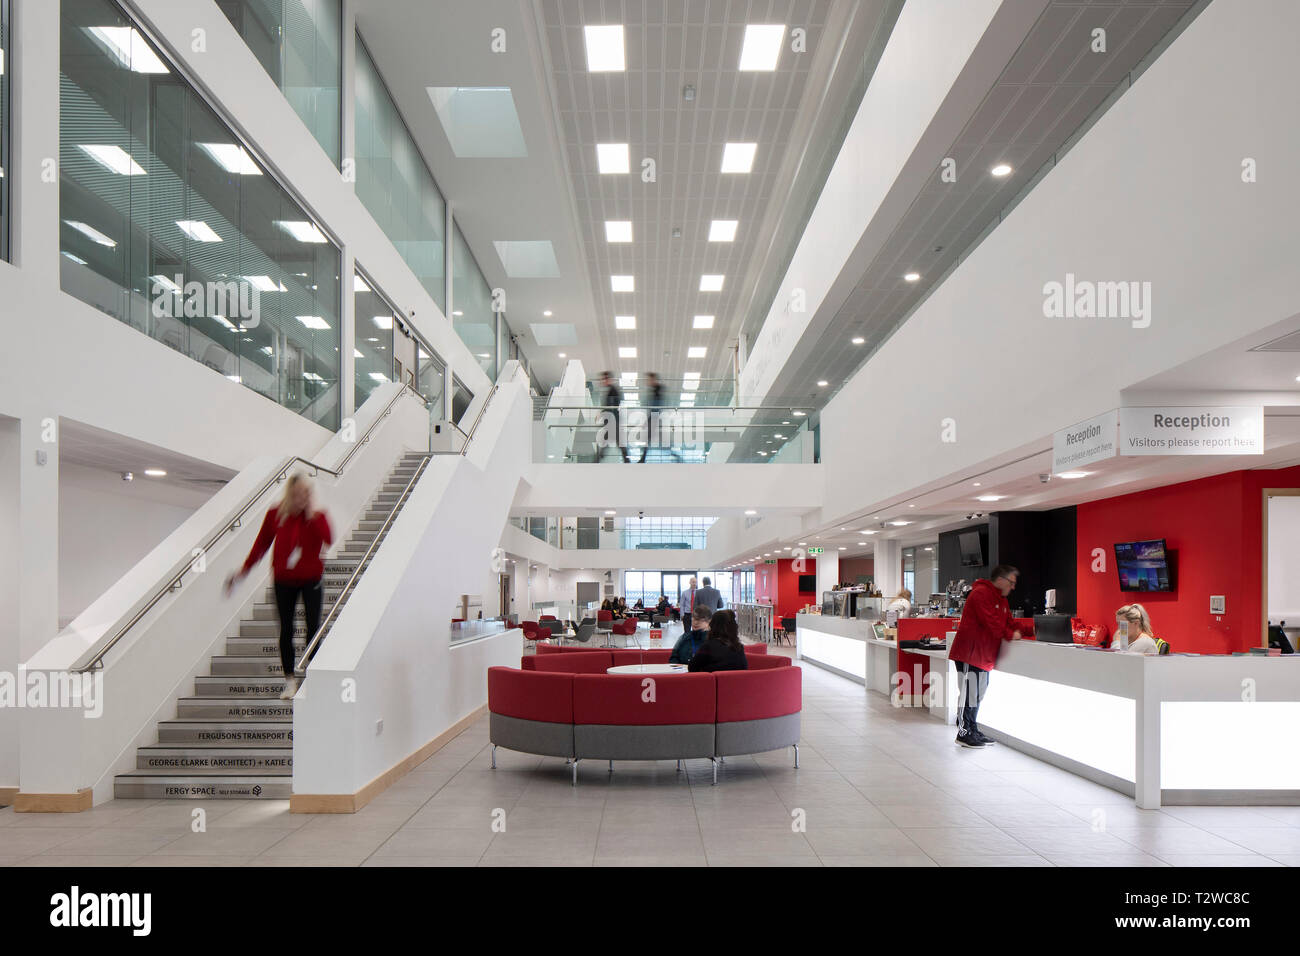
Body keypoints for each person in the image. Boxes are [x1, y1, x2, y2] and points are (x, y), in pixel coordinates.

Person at [225, 473, 333, 700]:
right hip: (283, 580)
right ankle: (290, 681)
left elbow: (328, 538)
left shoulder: (317, 516)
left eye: (306, 494)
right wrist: (242, 571)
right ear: (290, 494)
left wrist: (313, 516)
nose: (301, 499)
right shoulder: (276, 515)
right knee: (286, 628)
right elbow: (261, 546)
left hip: (311, 578)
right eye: (297, 495)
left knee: (313, 626)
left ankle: (314, 676)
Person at [947, 564, 1022, 748]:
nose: (1013, 587)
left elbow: (1008, 623)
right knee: (969, 695)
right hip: (969, 653)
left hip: (984, 656)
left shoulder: (1001, 600)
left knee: (977, 695)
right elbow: (992, 624)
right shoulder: (980, 594)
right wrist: (1011, 634)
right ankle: (963, 733)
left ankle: (972, 729)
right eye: (1011, 582)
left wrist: (1030, 630)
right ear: (1001, 580)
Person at [597, 370, 629, 463]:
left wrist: (602, 413)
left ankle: (598, 460)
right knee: (610, 441)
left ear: (608, 379)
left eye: (604, 379)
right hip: (613, 420)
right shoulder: (611, 389)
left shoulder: (613, 390)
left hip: (613, 420)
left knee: (610, 441)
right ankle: (626, 460)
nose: (602, 381)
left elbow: (612, 406)